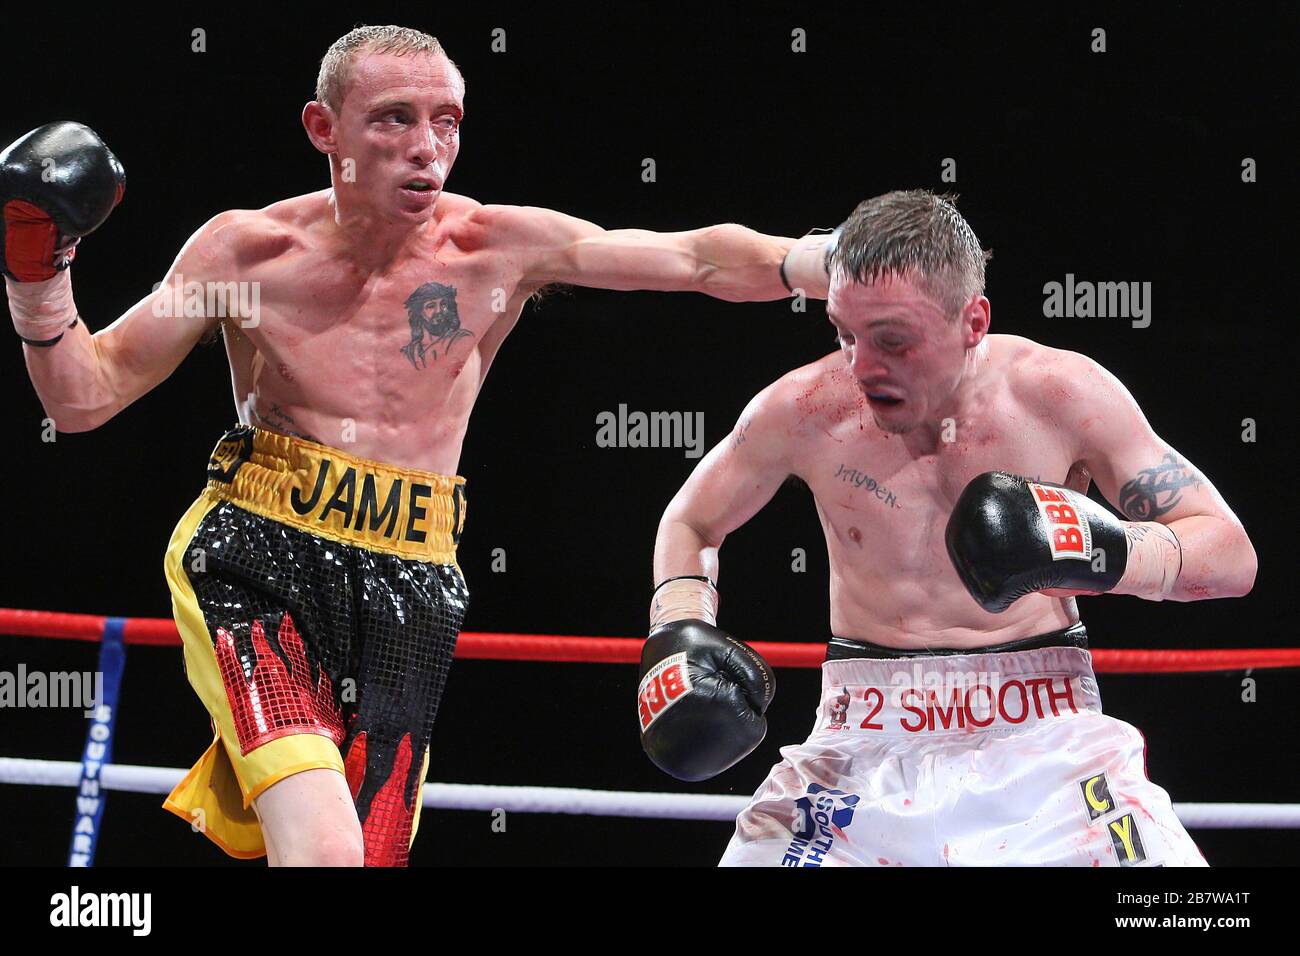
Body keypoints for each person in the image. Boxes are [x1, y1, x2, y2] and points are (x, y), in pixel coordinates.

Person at [2, 25, 831, 867]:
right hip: (257, 561)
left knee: (360, 858)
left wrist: (817, 260)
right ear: (324, 130)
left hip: (412, 585)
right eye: (393, 119)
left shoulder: (493, 249)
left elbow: (691, 259)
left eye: (447, 120)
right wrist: (40, 274)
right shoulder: (246, 253)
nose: (426, 148)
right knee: (326, 850)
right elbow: (86, 396)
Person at [639, 189, 1257, 866]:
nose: (863, 368)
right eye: (846, 334)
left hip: (1047, 737)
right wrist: (677, 627)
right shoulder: (805, 407)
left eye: (894, 340)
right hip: (860, 741)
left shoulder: (1062, 395)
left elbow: (1230, 557)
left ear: (973, 320)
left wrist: (1102, 549)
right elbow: (690, 520)